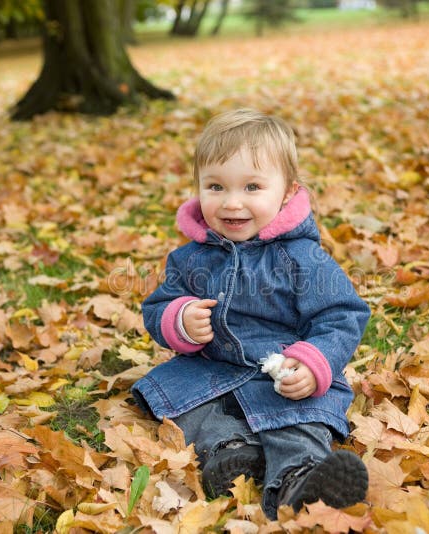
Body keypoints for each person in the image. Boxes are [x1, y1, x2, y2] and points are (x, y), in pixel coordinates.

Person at [132, 108, 370, 519]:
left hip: (282, 373)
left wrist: (313, 363)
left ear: (287, 193)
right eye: (216, 187)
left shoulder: (301, 258)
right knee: (192, 409)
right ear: (198, 189)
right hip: (211, 372)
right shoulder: (191, 259)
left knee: (296, 421)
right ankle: (231, 454)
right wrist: (180, 318)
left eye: (252, 187)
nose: (232, 202)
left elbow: (342, 315)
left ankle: (300, 480)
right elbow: (156, 308)